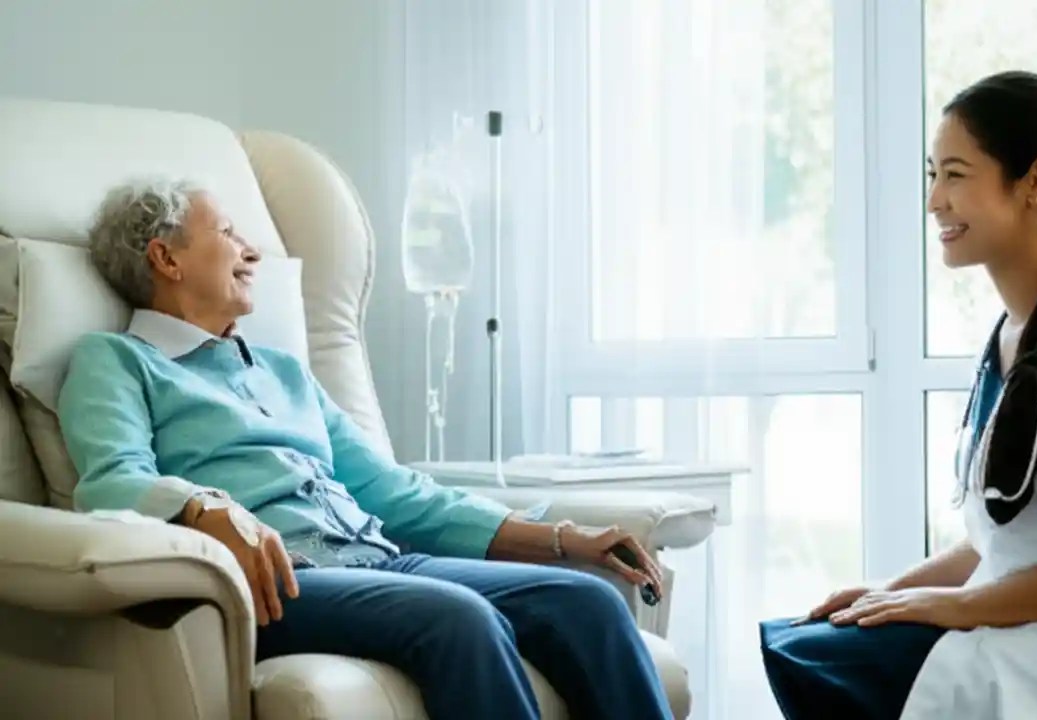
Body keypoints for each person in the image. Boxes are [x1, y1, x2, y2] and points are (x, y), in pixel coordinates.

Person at [58, 180, 674, 720]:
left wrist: (563, 539)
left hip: (380, 561)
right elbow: (110, 482)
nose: (252, 251)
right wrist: (206, 507)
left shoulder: (282, 370)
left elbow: (394, 493)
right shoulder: (116, 360)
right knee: (459, 617)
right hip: (284, 582)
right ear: (166, 257)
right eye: (227, 233)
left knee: (585, 601)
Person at [760, 71, 1037, 719]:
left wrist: (958, 605)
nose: (934, 201)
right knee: (812, 639)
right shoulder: (1014, 333)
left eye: (956, 175)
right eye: (932, 175)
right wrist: (892, 593)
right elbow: (1003, 543)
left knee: (831, 667)